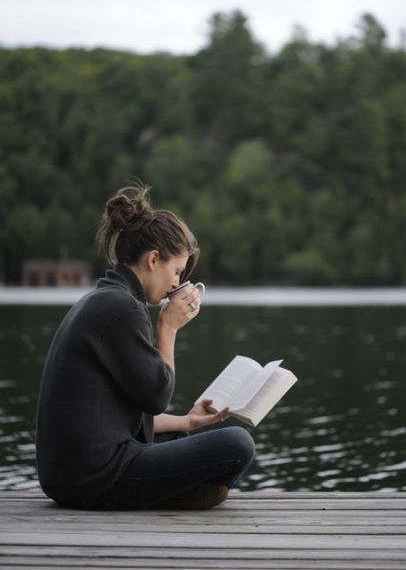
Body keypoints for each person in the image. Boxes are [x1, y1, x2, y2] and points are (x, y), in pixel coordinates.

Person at [35, 185, 255, 510]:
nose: (176, 285)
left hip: (70, 475)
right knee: (238, 443)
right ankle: (180, 495)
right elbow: (156, 397)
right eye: (177, 271)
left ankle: (182, 492)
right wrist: (168, 327)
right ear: (154, 259)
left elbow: (128, 416)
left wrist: (187, 421)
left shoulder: (107, 297)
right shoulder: (123, 308)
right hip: (95, 479)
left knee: (181, 439)